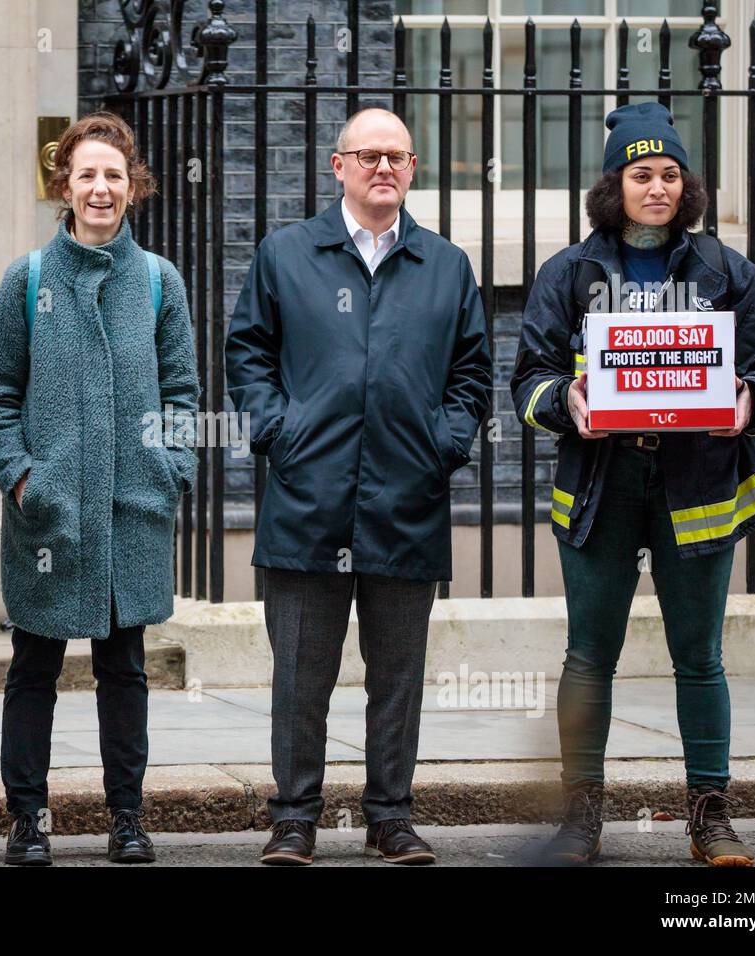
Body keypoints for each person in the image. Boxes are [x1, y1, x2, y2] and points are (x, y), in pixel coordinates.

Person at [511, 102, 755, 866]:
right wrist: (567, 404)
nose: (659, 187)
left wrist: (749, 402)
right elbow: (529, 378)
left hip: (700, 485)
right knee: (588, 657)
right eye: (642, 174)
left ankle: (711, 817)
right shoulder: (568, 273)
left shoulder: (724, 271)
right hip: (603, 485)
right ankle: (581, 820)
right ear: (616, 185)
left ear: (687, 186)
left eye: (672, 174)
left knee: (699, 655)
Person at [225, 107, 492, 866]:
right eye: (368, 155)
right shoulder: (287, 254)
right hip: (308, 501)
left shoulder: (446, 265)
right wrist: (280, 433)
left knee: (397, 677)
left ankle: (391, 817)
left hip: (406, 502)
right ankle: (294, 818)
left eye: (398, 157)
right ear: (337, 165)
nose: (383, 168)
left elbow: (473, 373)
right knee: (300, 674)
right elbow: (248, 354)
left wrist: (443, 445)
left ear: (413, 170)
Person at [0, 112, 199, 867]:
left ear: (131, 187)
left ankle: (127, 817)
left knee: (123, 669)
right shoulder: (26, 280)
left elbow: (183, 396)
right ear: (62, 186)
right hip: (49, 515)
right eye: (85, 175)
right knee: (32, 669)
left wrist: (170, 470)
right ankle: (28, 817)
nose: (100, 188)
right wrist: (21, 479)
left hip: (131, 513)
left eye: (113, 175)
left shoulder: (160, 282)